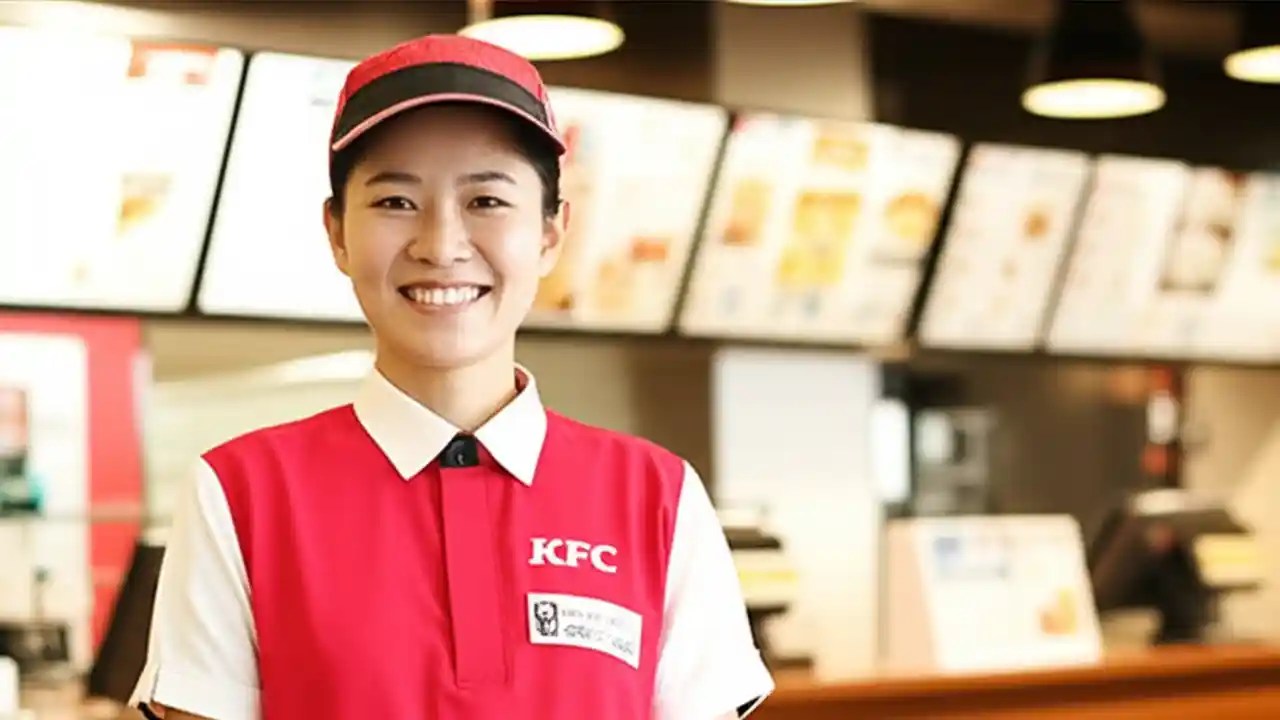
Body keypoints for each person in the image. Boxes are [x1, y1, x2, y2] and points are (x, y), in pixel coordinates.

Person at [129, 33, 775, 720]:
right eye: (395, 202)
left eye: (487, 202)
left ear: (551, 233)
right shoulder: (241, 494)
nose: (440, 245)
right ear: (337, 233)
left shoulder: (658, 498)